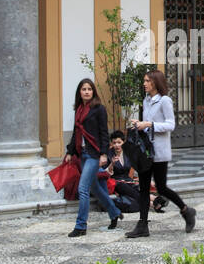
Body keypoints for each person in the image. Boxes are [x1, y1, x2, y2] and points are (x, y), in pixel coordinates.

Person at [126, 70, 196, 237]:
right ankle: (142, 225)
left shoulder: (165, 101)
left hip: (159, 152)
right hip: (146, 152)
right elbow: (147, 125)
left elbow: (171, 125)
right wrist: (139, 124)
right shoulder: (146, 100)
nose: (144, 84)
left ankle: (186, 210)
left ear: (156, 82)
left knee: (161, 187)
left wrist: (149, 124)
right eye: (144, 80)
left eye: (147, 81)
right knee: (143, 188)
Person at [65, 78, 124, 237]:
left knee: (83, 188)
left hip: (93, 154)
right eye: (83, 89)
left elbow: (104, 133)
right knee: (94, 188)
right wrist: (70, 152)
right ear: (80, 92)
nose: (86, 92)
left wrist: (104, 154)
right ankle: (114, 212)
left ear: (93, 92)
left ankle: (81, 225)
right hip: (82, 153)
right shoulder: (78, 109)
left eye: (89, 89)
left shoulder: (99, 109)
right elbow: (76, 133)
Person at [103, 131, 141, 213]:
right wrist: (112, 163)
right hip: (116, 182)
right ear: (111, 144)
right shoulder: (108, 155)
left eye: (119, 142)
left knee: (137, 185)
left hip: (128, 180)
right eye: (114, 143)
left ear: (123, 142)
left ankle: (152, 202)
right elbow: (105, 173)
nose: (116, 145)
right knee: (125, 186)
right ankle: (152, 201)